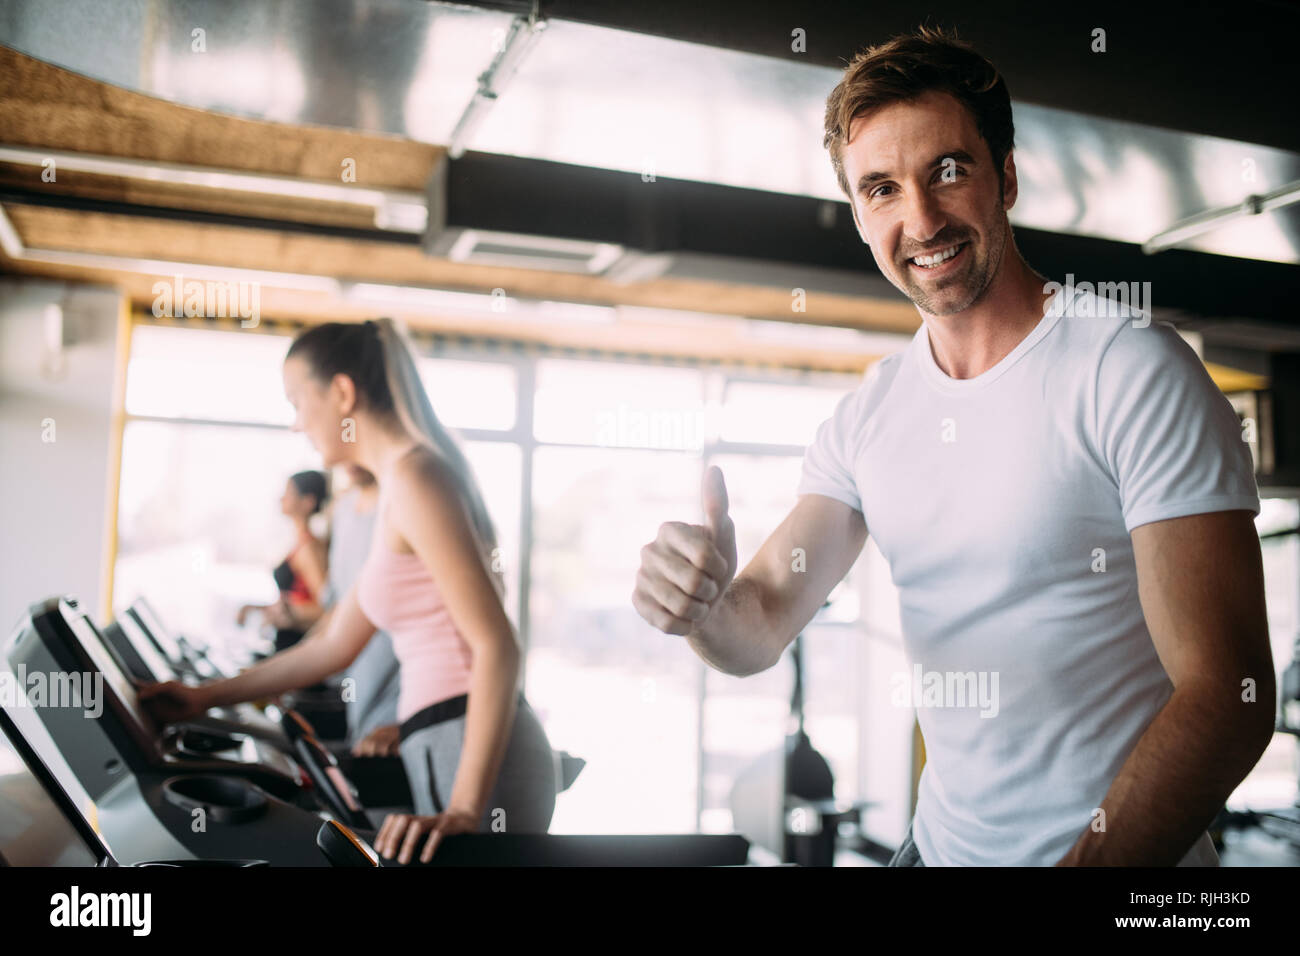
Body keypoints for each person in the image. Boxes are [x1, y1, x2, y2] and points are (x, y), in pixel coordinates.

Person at [632, 26, 1274, 867]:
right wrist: (702, 608)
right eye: (883, 189)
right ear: (860, 216)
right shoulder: (872, 414)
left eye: (947, 170)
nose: (921, 218)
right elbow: (758, 626)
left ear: (1004, 176)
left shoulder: (1131, 371)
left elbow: (1230, 696)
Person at [142, 318, 556, 864]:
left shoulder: (416, 477)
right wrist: (204, 697)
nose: (295, 425)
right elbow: (331, 644)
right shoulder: (400, 486)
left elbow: (497, 644)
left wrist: (464, 808)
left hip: (474, 753)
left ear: (341, 393)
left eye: (297, 401)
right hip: (443, 743)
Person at [235, 470, 329, 651]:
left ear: (307, 502)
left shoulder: (309, 549)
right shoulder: (299, 545)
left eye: (288, 493)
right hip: (287, 638)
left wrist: (284, 611)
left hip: (299, 645)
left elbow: (323, 609)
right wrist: (257, 608)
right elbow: (295, 597)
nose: (281, 499)